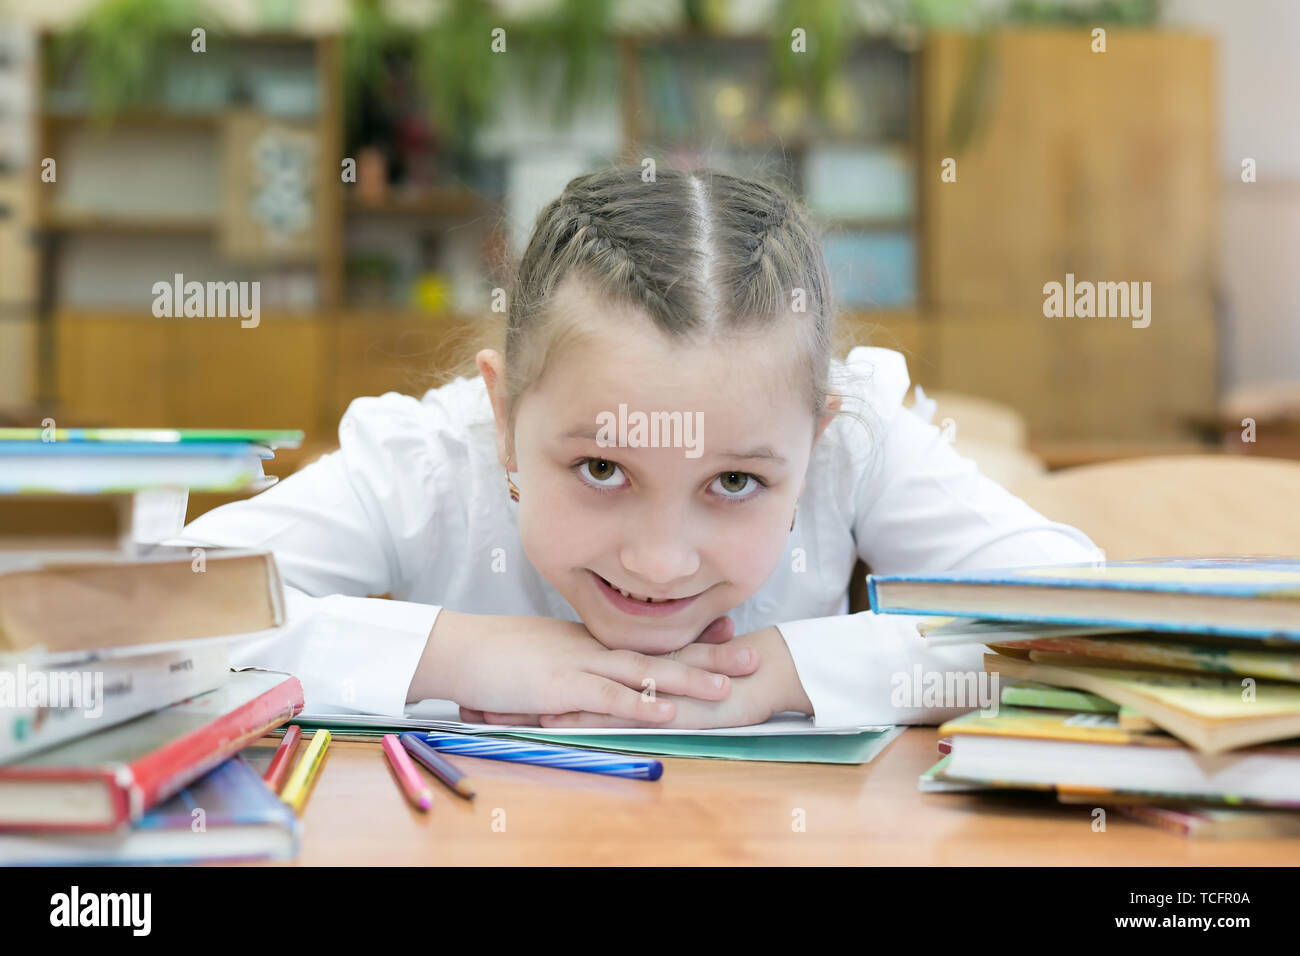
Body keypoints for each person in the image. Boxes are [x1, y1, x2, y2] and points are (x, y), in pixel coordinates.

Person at [176, 165, 1098, 729]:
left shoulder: (852, 439)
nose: (658, 562)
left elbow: (1085, 622)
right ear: (503, 416)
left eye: (734, 480)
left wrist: (791, 675)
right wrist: (457, 656)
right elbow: (153, 616)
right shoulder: (430, 460)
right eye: (602, 469)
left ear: (814, 436)